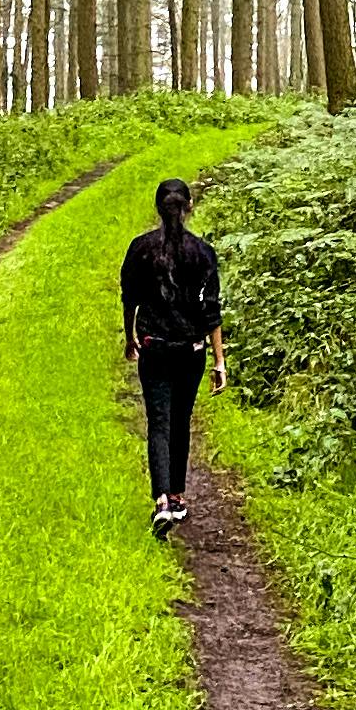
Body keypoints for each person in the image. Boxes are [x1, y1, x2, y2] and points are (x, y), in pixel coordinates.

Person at [120, 175, 224, 538]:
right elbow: (211, 310)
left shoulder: (140, 249)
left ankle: (162, 500)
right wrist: (219, 361)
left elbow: (129, 297)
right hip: (191, 350)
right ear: (189, 207)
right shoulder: (203, 253)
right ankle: (177, 497)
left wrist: (130, 337)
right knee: (181, 420)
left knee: (159, 421)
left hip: (154, 346)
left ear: (158, 208)